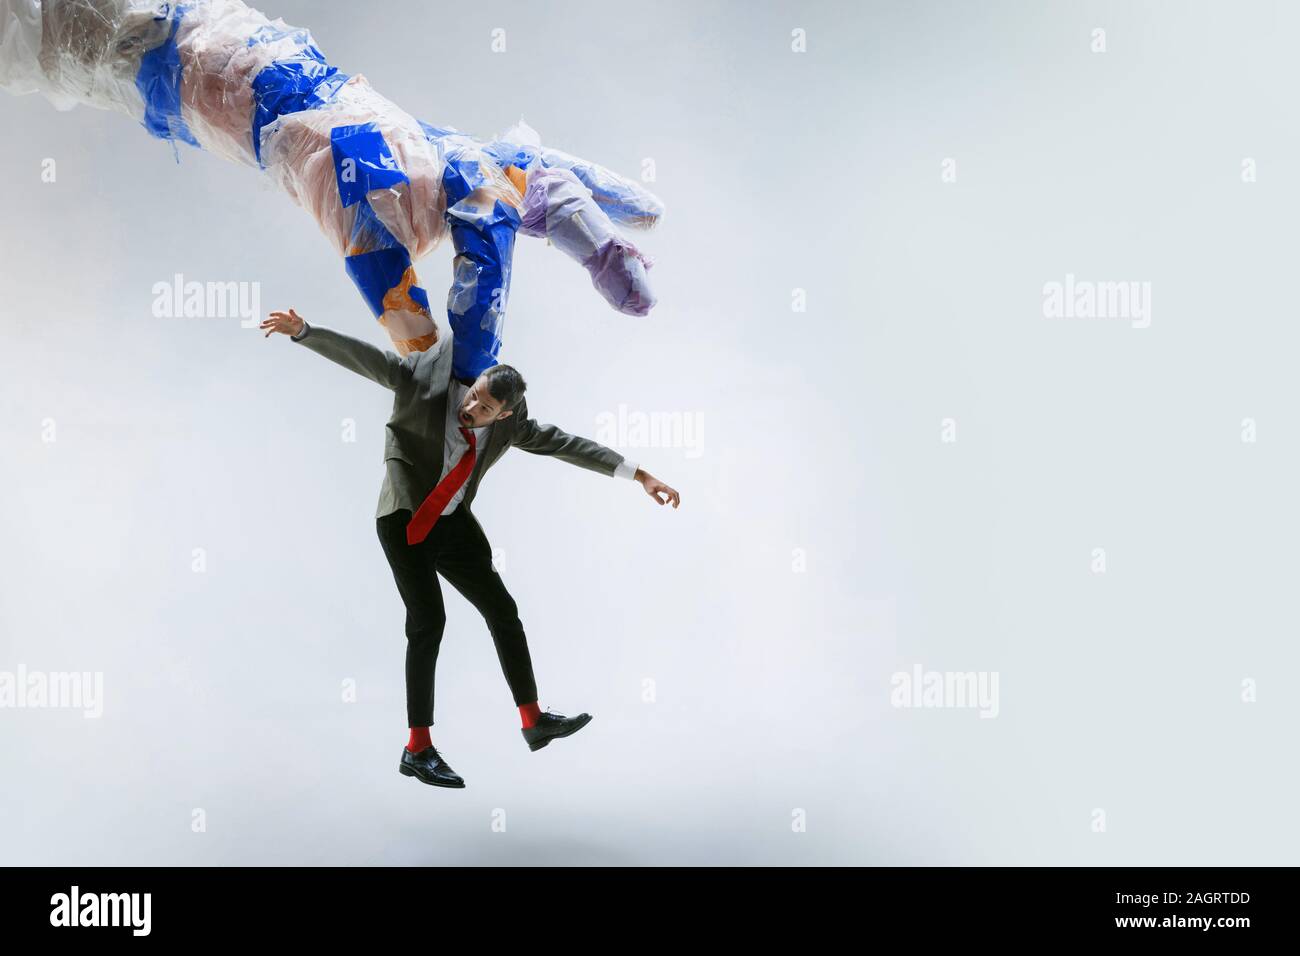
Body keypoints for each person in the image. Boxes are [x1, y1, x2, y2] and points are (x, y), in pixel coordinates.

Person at [259, 308, 681, 789]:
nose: (471, 408)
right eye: (474, 395)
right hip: (404, 517)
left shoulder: (510, 426)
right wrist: (306, 332)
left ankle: (533, 720)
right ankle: (417, 748)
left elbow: (565, 443)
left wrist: (639, 474)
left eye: (484, 409)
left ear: (503, 415)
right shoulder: (424, 381)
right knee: (428, 622)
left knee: (504, 611)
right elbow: (369, 360)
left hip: (452, 522)